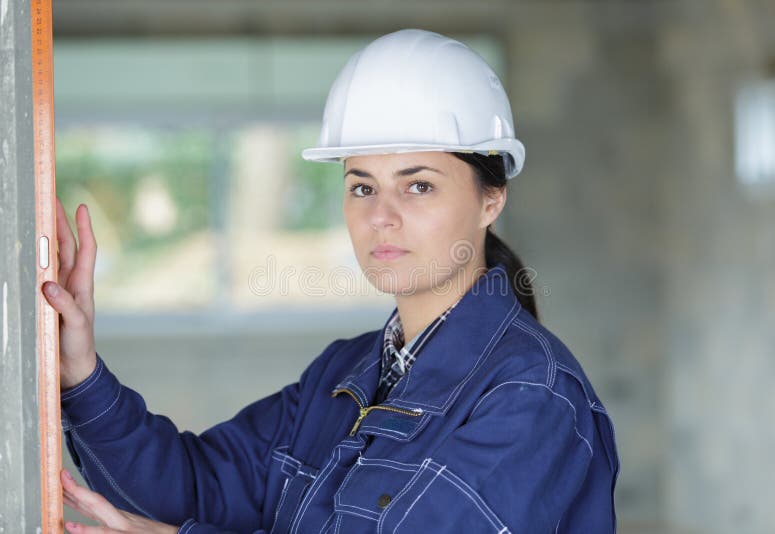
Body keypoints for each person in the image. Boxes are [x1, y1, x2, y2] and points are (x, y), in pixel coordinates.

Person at [44, 29, 620, 534]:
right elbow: (196, 488)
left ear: (491, 199)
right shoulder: (341, 376)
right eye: (362, 186)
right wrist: (81, 374)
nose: (381, 216)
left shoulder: (530, 395)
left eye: (418, 185)